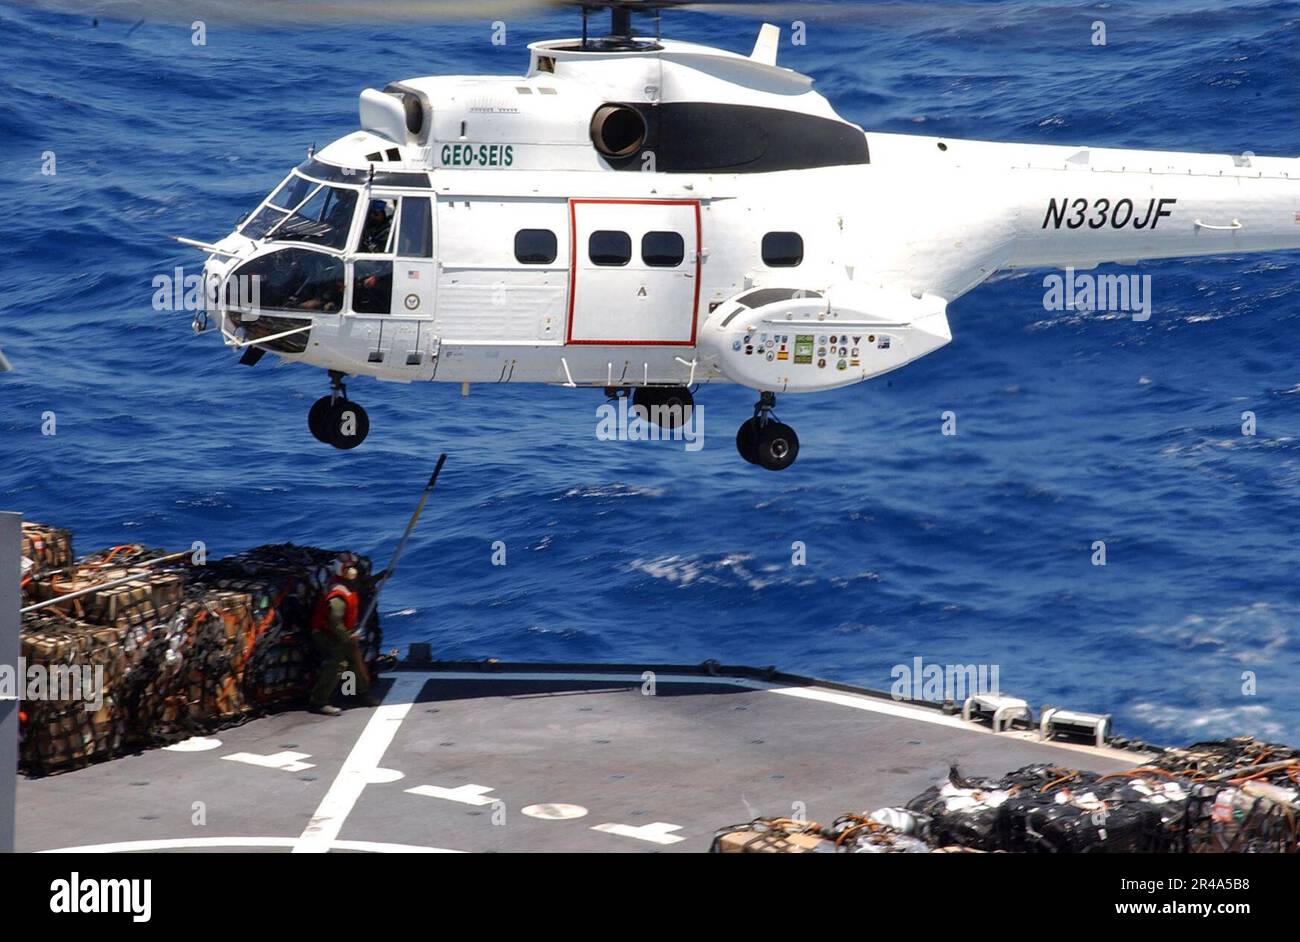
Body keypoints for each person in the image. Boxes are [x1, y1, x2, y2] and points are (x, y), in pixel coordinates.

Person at [308, 556, 380, 715]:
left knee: (353, 660)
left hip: (341, 631)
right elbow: (334, 622)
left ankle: (353, 691)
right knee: (338, 661)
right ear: (341, 570)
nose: (352, 571)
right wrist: (348, 638)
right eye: (348, 568)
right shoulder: (338, 594)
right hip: (325, 633)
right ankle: (319, 701)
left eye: (353, 567)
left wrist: (380, 576)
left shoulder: (349, 585)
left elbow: (361, 586)